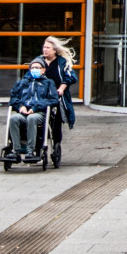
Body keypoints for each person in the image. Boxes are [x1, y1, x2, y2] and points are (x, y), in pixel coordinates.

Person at [4, 59, 60, 165]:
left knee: (32, 118)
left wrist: (35, 108)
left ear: (43, 70)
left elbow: (53, 100)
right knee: (13, 118)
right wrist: (20, 107)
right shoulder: (22, 83)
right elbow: (13, 97)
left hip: (40, 113)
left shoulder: (48, 83)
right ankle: (16, 151)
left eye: (37, 68)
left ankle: (30, 152)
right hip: (24, 112)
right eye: (32, 68)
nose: (34, 69)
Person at [37, 36, 78, 165]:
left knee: (56, 121)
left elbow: (70, 77)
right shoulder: (39, 62)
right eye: (44, 47)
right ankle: (37, 144)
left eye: (48, 48)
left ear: (54, 50)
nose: (45, 50)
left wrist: (62, 87)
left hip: (57, 97)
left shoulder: (62, 62)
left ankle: (56, 144)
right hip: (41, 96)